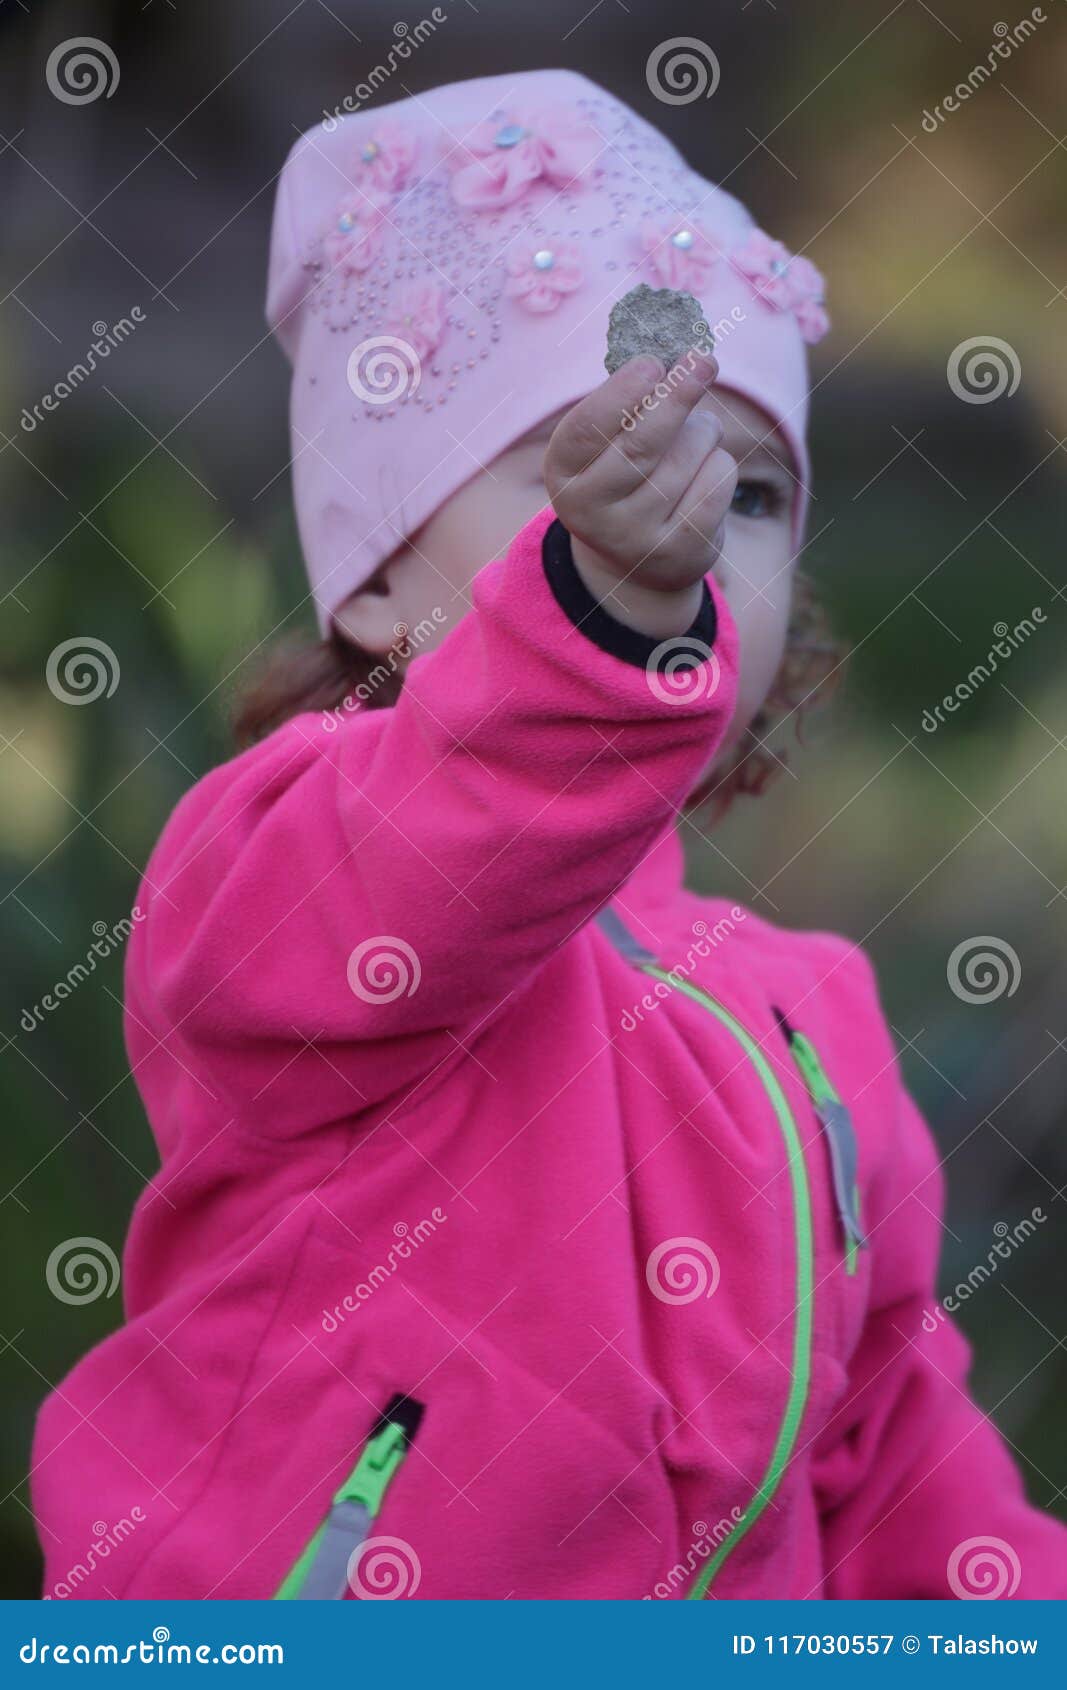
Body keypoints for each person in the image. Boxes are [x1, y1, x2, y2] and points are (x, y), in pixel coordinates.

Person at [32, 68, 1067, 1601]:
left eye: (754, 486)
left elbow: (889, 1428)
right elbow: (463, 828)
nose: (691, 523)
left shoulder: (815, 1015)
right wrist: (599, 618)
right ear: (376, 579)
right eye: (590, 473)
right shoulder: (278, 858)